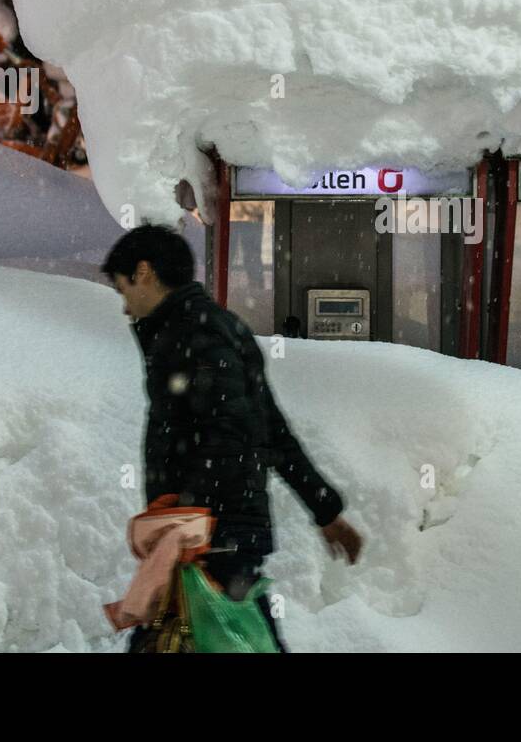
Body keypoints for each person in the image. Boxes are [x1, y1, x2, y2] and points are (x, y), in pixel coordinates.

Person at [102, 224, 363, 651]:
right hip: (215, 532)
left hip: (209, 535)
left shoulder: (192, 333)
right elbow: (271, 430)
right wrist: (325, 509)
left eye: (122, 289)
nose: (126, 309)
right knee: (214, 638)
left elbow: (232, 431)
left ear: (144, 272)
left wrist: (186, 522)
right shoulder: (211, 328)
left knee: (196, 639)